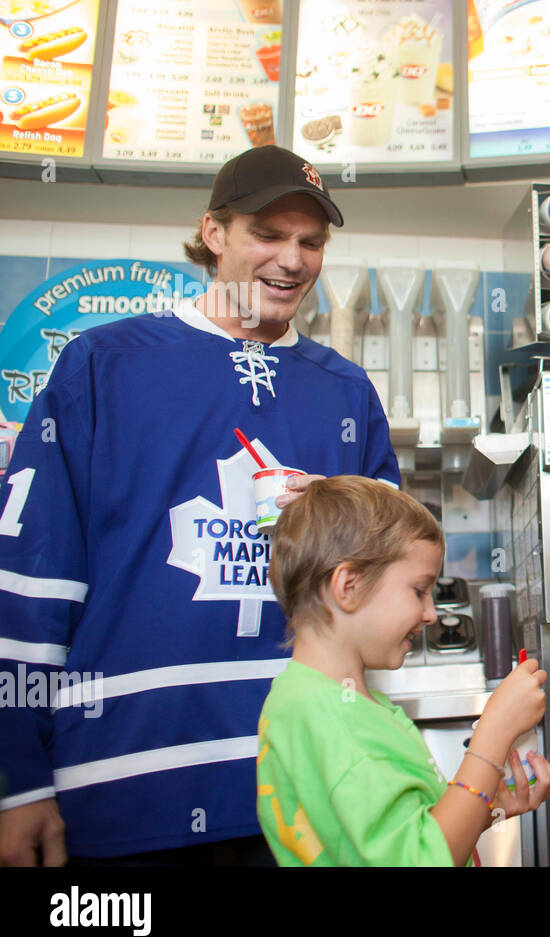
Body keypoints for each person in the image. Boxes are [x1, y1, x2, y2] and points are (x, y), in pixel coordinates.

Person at [0, 145, 400, 865]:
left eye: (311, 242)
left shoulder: (347, 394)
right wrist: (18, 782)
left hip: (311, 787)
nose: (292, 259)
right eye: (268, 234)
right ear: (214, 233)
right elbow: (32, 584)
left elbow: (396, 602)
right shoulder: (103, 365)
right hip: (127, 787)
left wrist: (346, 529)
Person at [258, 476, 550, 866]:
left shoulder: (318, 702)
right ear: (347, 586)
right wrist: (493, 735)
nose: (431, 613)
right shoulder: (336, 719)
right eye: (418, 591)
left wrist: (488, 805)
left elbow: (405, 838)